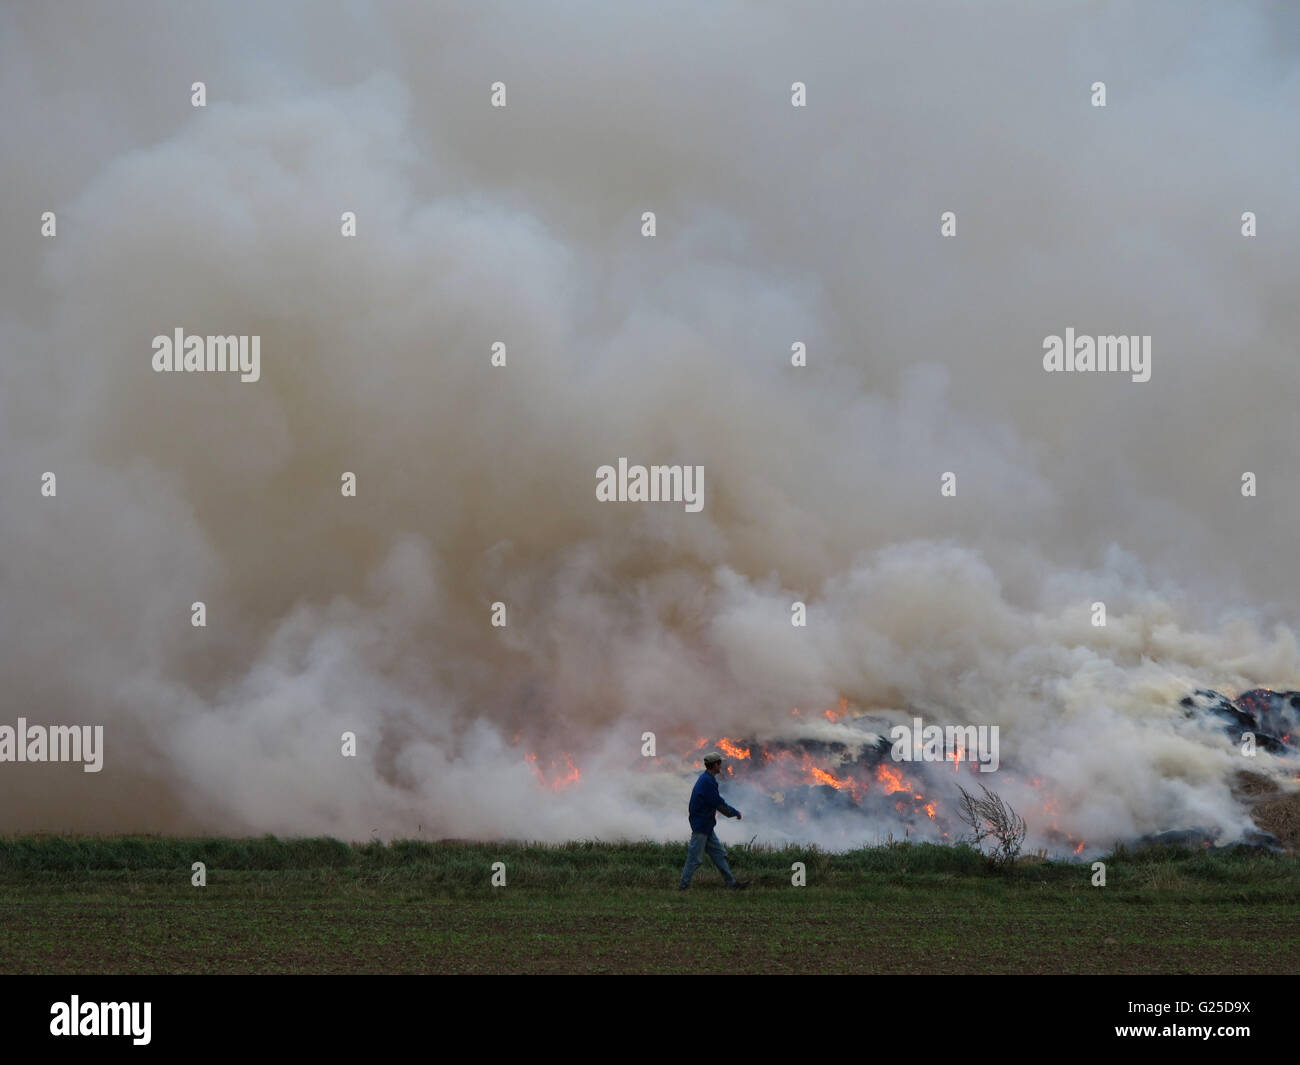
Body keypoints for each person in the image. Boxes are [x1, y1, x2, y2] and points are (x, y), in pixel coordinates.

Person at [678, 752, 750, 890]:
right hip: (701, 825)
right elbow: (718, 803)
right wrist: (735, 813)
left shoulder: (706, 779)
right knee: (694, 858)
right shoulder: (707, 782)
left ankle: (731, 883)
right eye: (720, 763)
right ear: (715, 765)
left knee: (719, 855)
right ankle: (683, 886)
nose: (721, 766)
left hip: (707, 825)